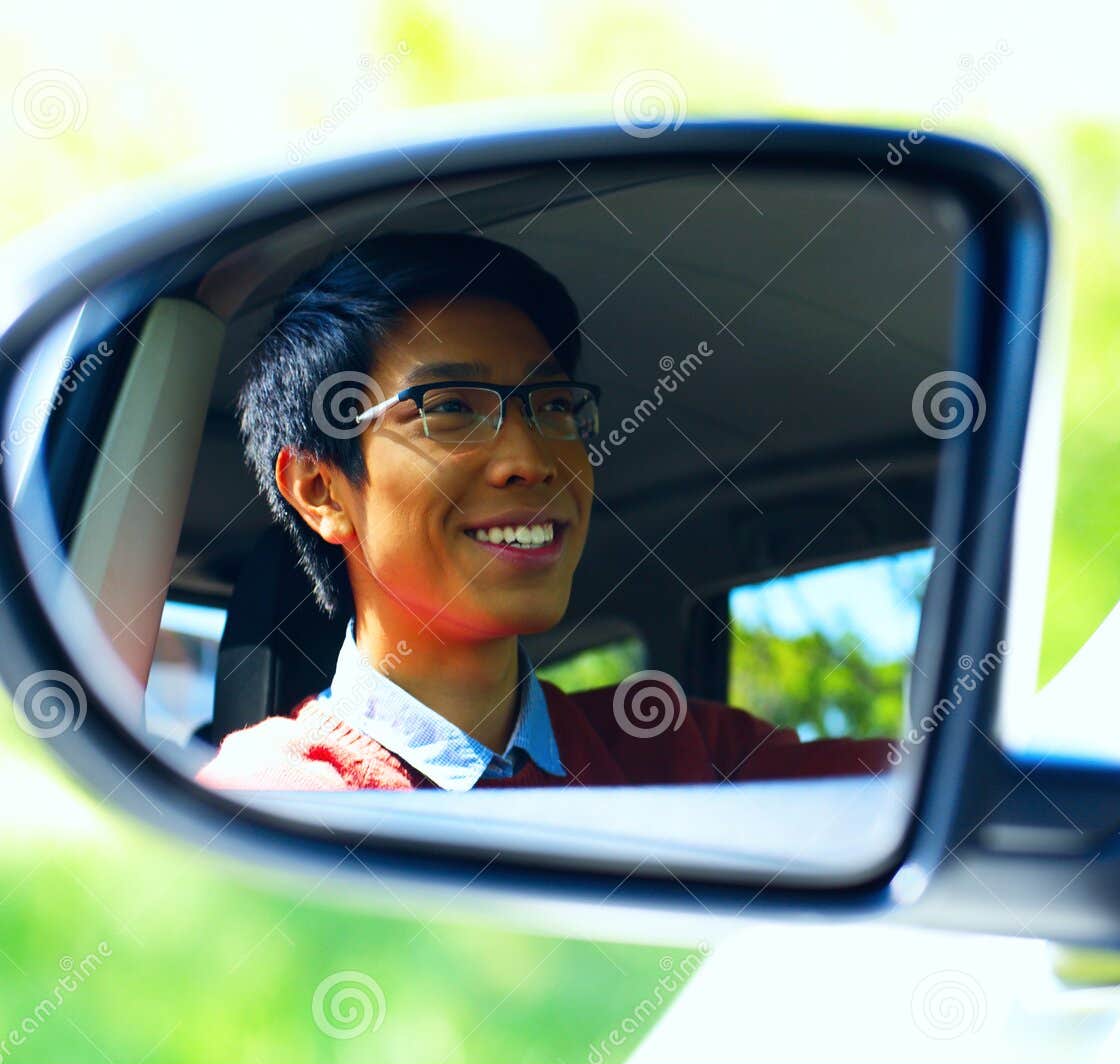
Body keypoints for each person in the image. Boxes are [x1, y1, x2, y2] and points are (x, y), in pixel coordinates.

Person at [198, 232, 893, 791]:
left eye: (554, 406)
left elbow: (954, 794)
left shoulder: (686, 754)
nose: (531, 457)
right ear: (321, 490)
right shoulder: (277, 797)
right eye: (449, 409)